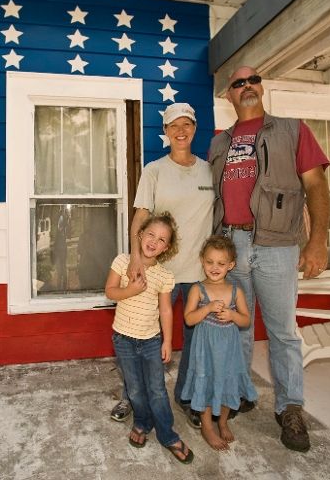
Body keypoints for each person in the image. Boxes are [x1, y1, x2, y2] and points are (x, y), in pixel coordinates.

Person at [208, 66, 330, 453]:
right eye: (238, 83)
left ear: (262, 87)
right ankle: (242, 393)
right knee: (237, 328)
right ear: (228, 94)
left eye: (253, 80)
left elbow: (316, 185)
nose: (247, 86)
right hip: (231, 247)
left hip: (278, 246)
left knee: (282, 331)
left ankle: (290, 407)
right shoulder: (218, 143)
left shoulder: (293, 130)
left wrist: (318, 242)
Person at [110, 102, 213, 429]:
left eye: (187, 125)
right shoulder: (154, 170)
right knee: (138, 335)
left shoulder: (209, 170)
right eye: (173, 126)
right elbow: (140, 216)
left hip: (196, 274)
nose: (181, 131)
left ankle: (186, 398)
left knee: (195, 343)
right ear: (166, 132)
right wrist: (136, 260)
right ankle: (132, 396)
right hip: (157, 274)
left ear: (194, 129)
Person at [106, 212, 194, 464]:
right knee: (134, 389)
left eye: (162, 240)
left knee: (156, 390)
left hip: (151, 341)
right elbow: (110, 291)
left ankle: (167, 434)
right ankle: (142, 423)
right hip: (123, 339)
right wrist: (130, 290)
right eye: (151, 234)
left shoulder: (165, 276)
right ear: (140, 234)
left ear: (167, 247)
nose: (154, 242)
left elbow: (166, 310)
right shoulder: (123, 262)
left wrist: (167, 341)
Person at [181, 235, 258, 451]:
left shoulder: (236, 291)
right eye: (210, 262)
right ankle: (207, 426)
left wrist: (232, 316)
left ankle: (223, 421)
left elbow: (246, 320)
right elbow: (189, 319)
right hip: (205, 349)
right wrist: (206, 309)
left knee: (227, 382)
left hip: (229, 349)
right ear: (202, 261)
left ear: (231, 265)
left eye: (221, 263)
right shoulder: (198, 289)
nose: (215, 267)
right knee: (205, 382)